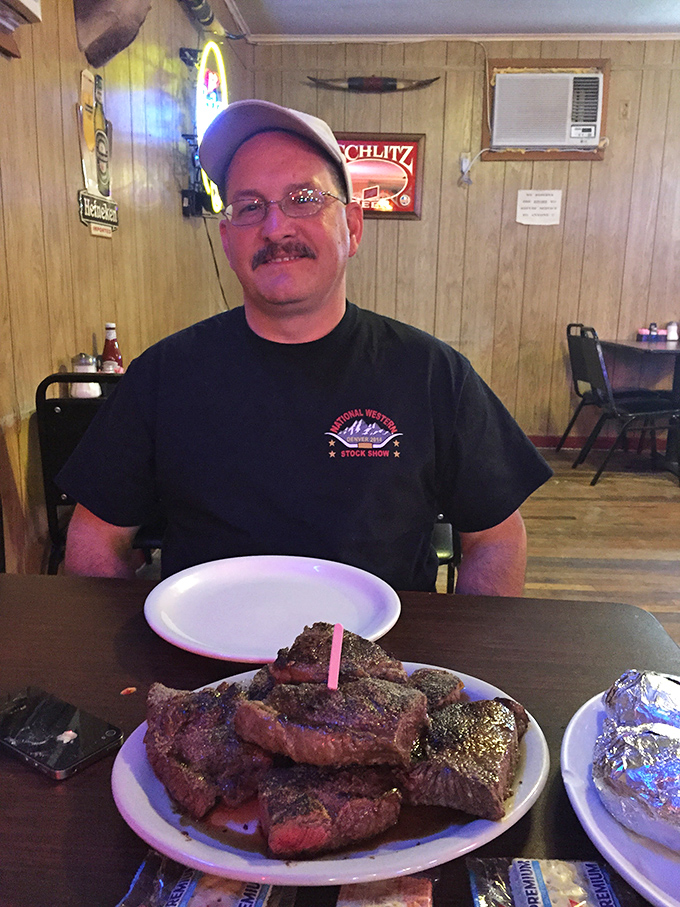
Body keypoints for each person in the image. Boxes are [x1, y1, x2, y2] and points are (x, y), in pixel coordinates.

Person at [59, 99, 552, 594]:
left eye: (303, 198)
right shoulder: (163, 375)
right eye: (250, 207)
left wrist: (457, 662)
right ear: (228, 241)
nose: (276, 228)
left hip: (380, 664)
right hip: (205, 663)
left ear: (353, 228)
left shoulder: (432, 374)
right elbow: (95, 538)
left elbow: (496, 538)